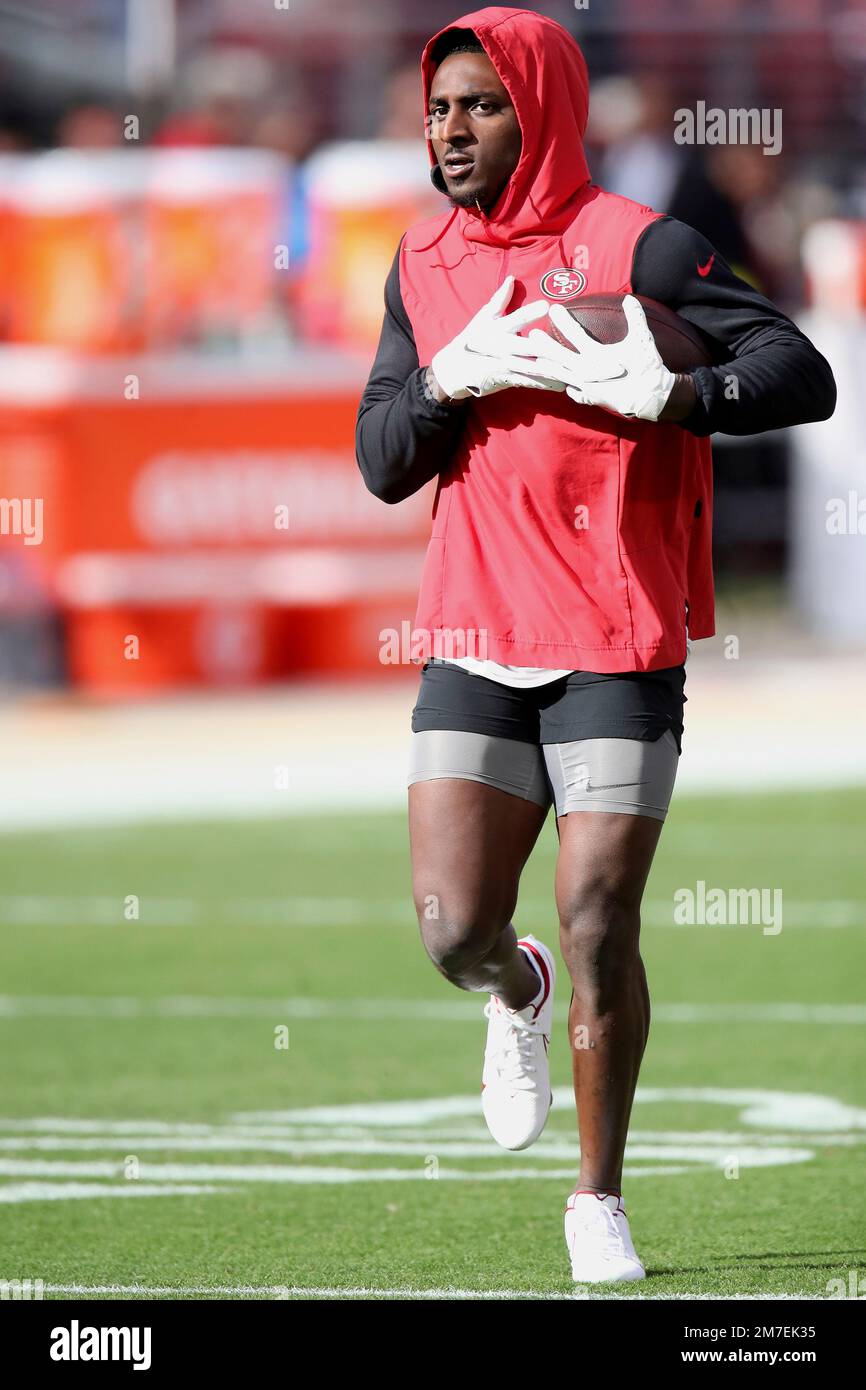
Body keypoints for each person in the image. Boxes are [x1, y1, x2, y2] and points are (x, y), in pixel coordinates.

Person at [355, 6, 835, 1284]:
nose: (449, 130)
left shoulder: (642, 241)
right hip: (474, 624)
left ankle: (595, 1198)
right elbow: (378, 462)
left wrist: (675, 391)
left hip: (615, 630)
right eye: (439, 108)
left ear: (540, 107)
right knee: (453, 925)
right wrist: (440, 381)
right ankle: (508, 997)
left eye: (479, 105)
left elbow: (798, 369)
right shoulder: (418, 261)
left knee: (595, 913)